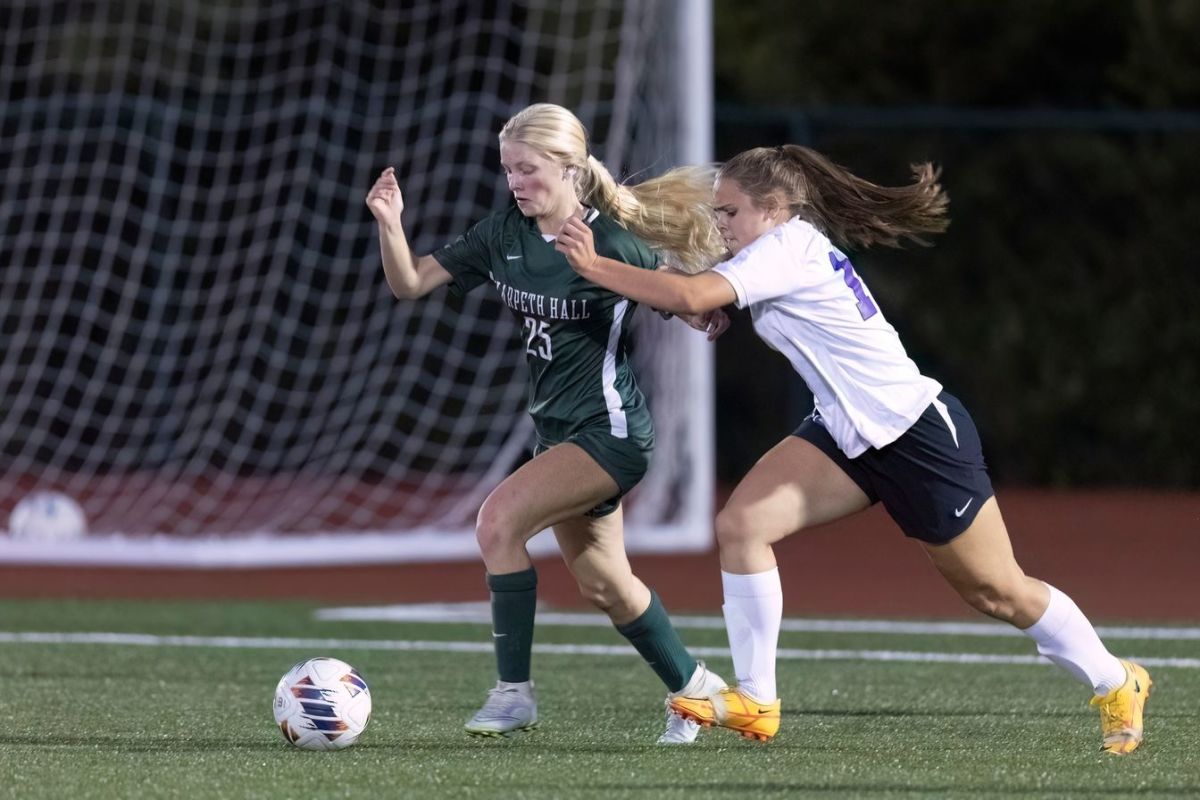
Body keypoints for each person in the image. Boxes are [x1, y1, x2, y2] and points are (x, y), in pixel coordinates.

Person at [556, 144, 1151, 754]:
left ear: (775, 208)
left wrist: (595, 266)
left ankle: (1117, 680)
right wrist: (699, 307)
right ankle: (757, 702)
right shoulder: (777, 247)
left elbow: (692, 296)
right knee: (741, 525)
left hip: (914, 431)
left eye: (730, 212)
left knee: (996, 590)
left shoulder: (783, 248)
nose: (720, 223)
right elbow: (702, 300)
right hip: (844, 430)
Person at [364, 103, 730, 743]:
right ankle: (699, 693)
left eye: (528, 169)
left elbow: (677, 292)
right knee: (606, 587)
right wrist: (390, 224)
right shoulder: (504, 233)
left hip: (611, 433)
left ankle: (513, 695)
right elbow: (411, 283)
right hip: (558, 435)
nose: (515, 182)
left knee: (497, 522)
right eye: (508, 169)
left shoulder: (609, 241)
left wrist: (702, 314)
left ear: (567, 167)